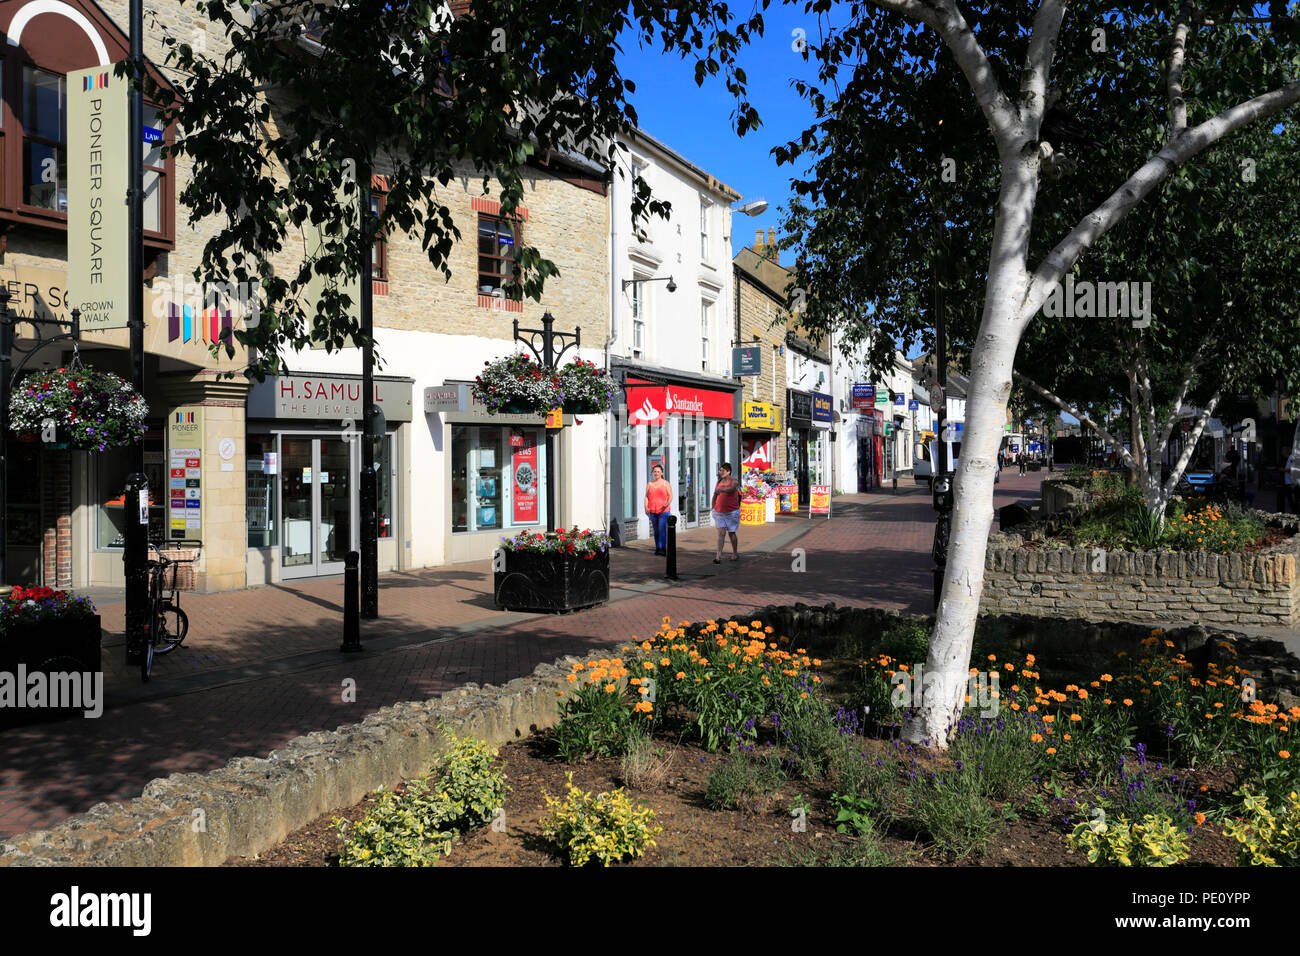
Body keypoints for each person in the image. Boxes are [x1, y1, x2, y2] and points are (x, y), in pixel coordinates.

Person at [710, 462, 741, 563]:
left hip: (732, 512)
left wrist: (723, 490)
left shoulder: (734, 481)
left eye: (723, 470)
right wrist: (713, 507)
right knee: (721, 533)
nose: (721, 472)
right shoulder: (719, 481)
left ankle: (735, 553)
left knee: (731, 533)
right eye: (720, 470)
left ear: (728, 471)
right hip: (719, 512)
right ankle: (718, 556)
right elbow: (715, 494)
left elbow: (732, 489)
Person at [644, 463, 672, 556]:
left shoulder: (665, 483)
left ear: (662, 473)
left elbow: (670, 495)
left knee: (662, 530)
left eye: (658, 471)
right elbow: (646, 497)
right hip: (653, 511)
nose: (656, 473)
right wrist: (646, 507)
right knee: (656, 531)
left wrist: (668, 502)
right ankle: (658, 548)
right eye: (654, 471)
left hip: (664, 511)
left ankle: (663, 549)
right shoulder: (650, 484)